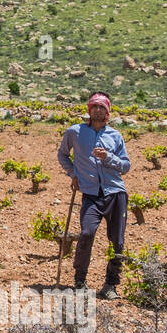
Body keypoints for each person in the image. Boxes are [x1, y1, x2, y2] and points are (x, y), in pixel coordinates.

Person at [56, 92, 131, 299]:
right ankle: (80, 280)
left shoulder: (115, 136)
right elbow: (62, 154)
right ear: (89, 109)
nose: (98, 110)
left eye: (102, 107)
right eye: (94, 106)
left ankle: (110, 285)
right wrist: (73, 174)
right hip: (90, 193)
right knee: (87, 233)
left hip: (115, 192)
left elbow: (126, 166)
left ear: (107, 112)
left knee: (117, 240)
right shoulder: (75, 132)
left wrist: (109, 158)